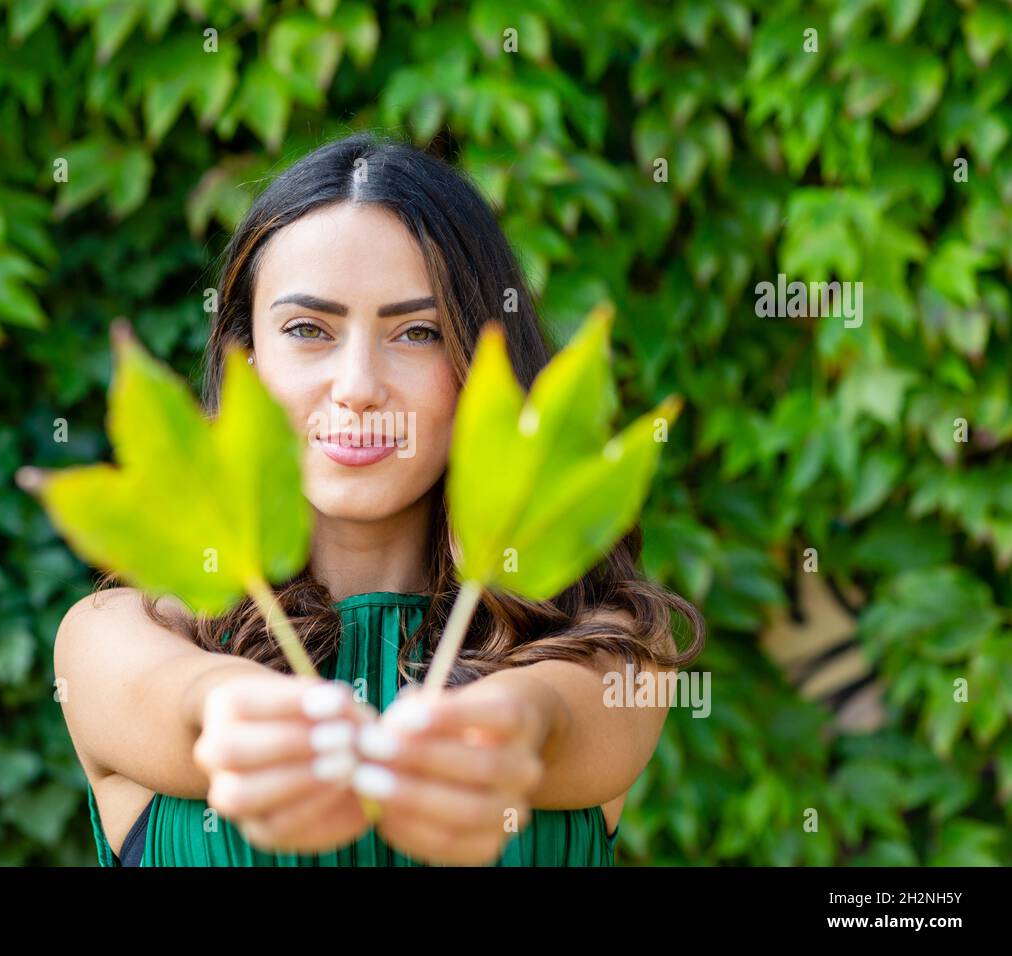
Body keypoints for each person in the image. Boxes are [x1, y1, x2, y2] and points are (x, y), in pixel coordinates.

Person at [55, 132, 706, 866]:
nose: (359, 386)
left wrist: (499, 730)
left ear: (481, 359)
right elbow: (191, 703)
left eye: (418, 332)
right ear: (247, 355)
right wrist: (241, 714)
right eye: (308, 329)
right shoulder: (120, 634)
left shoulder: (603, 651)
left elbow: (549, 719)